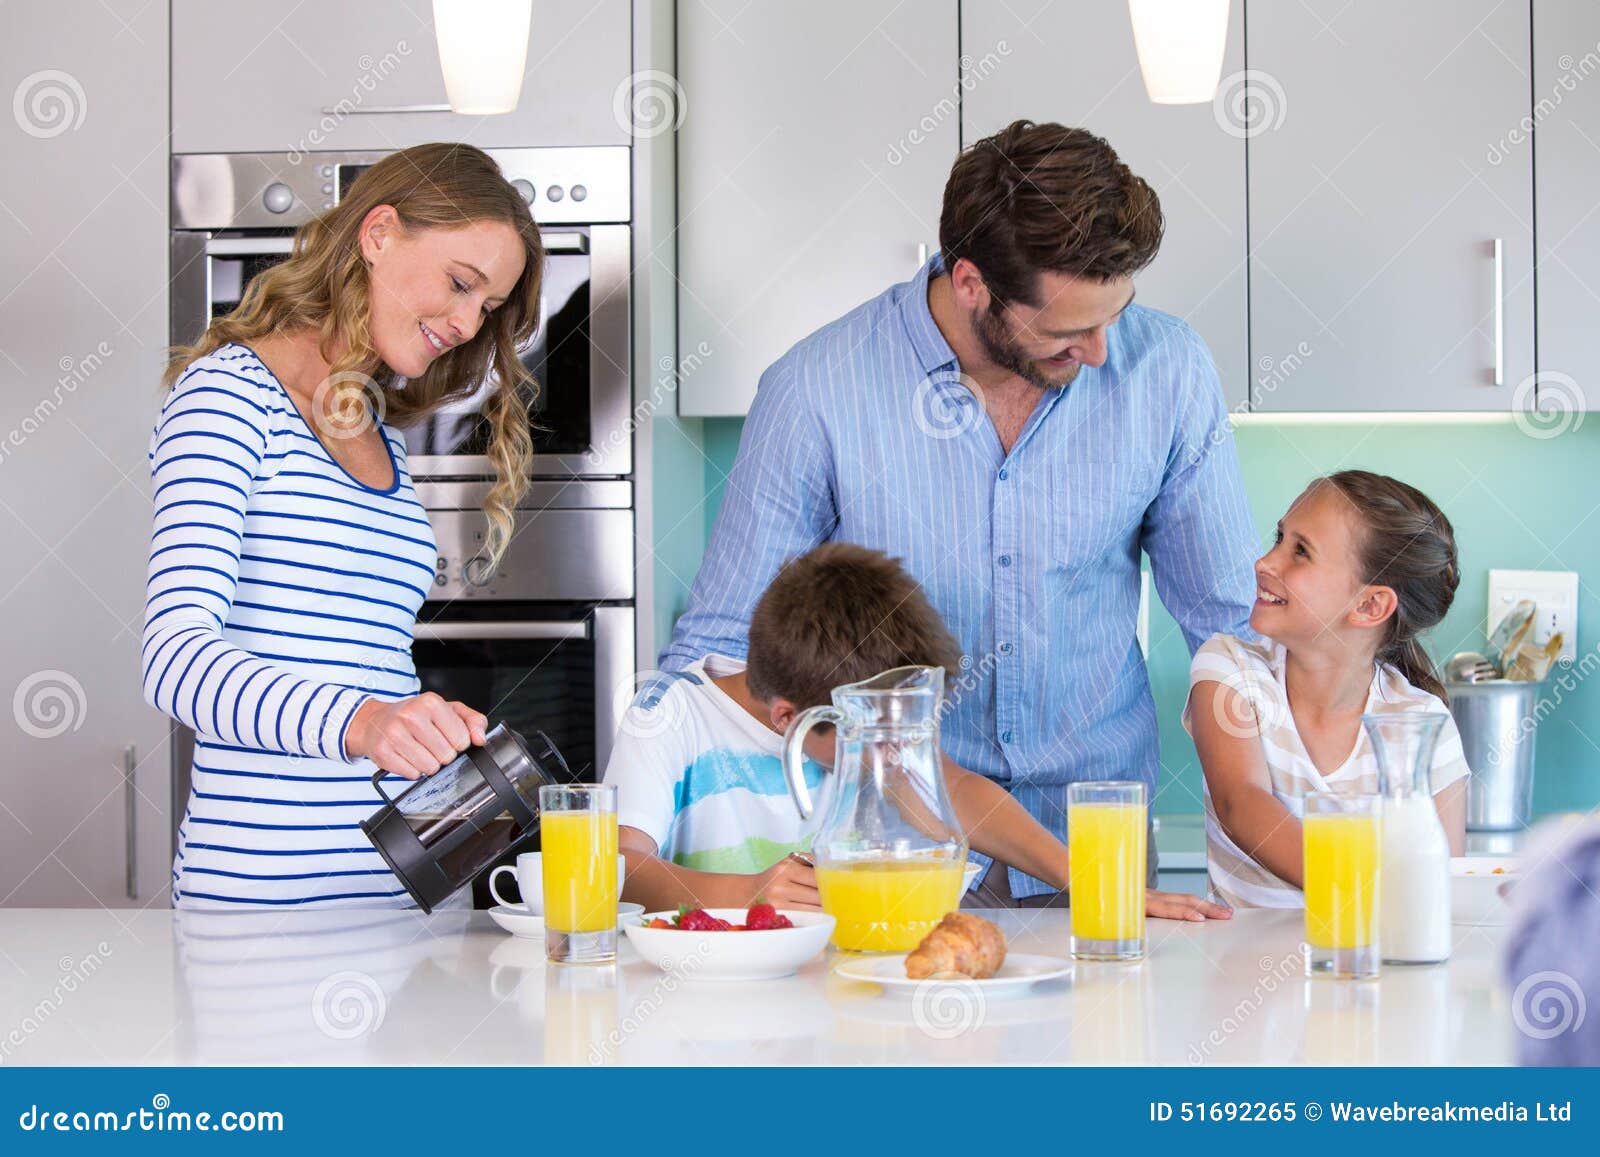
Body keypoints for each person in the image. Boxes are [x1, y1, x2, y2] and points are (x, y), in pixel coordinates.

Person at [661, 120, 1259, 905]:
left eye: (1116, 314)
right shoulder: (816, 390)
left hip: (1102, 853)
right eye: (1069, 330)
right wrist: (697, 872)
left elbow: (1233, 629)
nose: (1104, 353)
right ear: (971, 282)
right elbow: (718, 651)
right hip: (897, 862)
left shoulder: (1169, 372)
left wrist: (1281, 831)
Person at [143, 143, 542, 907]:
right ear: (379, 232)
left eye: (486, 309)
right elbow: (174, 657)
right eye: (461, 284)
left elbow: (355, 660)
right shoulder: (227, 398)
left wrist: (425, 729)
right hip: (262, 910)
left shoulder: (377, 432)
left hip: (404, 901)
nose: (466, 324)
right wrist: (364, 721)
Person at [609, 543, 1227, 921]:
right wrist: (746, 892)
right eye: (874, 738)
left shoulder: (861, 720)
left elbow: (956, 790)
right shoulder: (669, 715)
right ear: (788, 720)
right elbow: (622, 865)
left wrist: (1091, 882)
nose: (891, 756)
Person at [1185, 470, 1469, 907]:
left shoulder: (1423, 725)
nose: (1265, 562)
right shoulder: (1232, 670)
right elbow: (1241, 804)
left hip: (1375, 969)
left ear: (1370, 605)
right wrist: (1369, 898)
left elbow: (1443, 886)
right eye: (1279, 537)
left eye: (1300, 552)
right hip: (1240, 971)